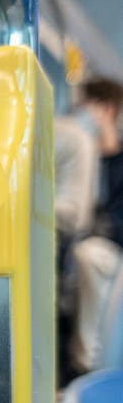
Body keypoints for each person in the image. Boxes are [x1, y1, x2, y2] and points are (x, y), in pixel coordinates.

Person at [68, 78, 123, 375]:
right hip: (76, 246)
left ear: (106, 110)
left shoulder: (117, 163)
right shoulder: (74, 158)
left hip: (110, 249)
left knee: (89, 255)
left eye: (84, 106)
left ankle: (90, 367)